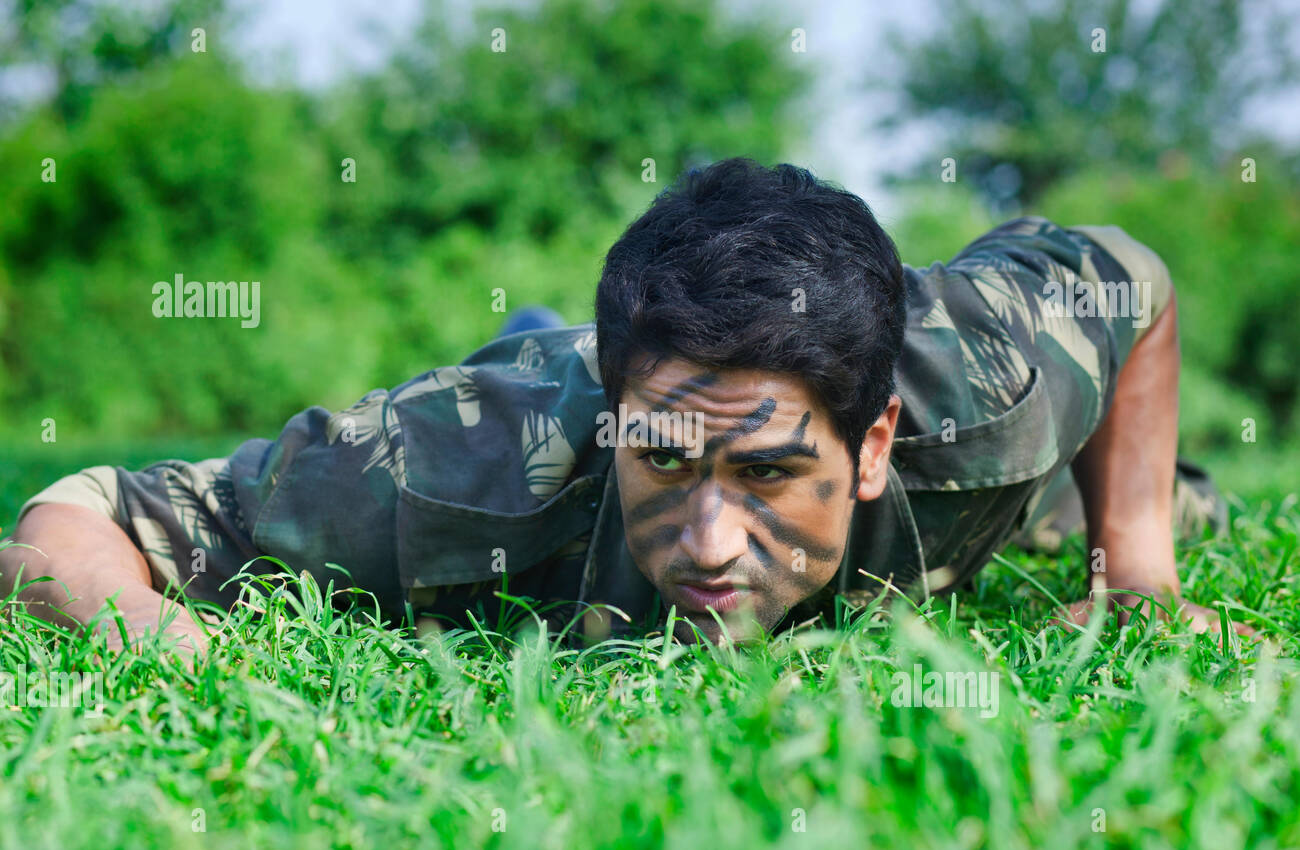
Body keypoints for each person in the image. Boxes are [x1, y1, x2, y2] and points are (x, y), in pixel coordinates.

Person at [0, 158, 1242, 655]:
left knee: (1169, 514)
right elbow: (70, 512)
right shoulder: (463, 459)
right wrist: (177, 649)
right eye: (666, 459)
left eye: (763, 475)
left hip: (988, 487)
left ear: (867, 446)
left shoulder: (989, 378)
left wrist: (1136, 566)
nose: (706, 543)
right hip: (542, 394)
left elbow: (1133, 275)